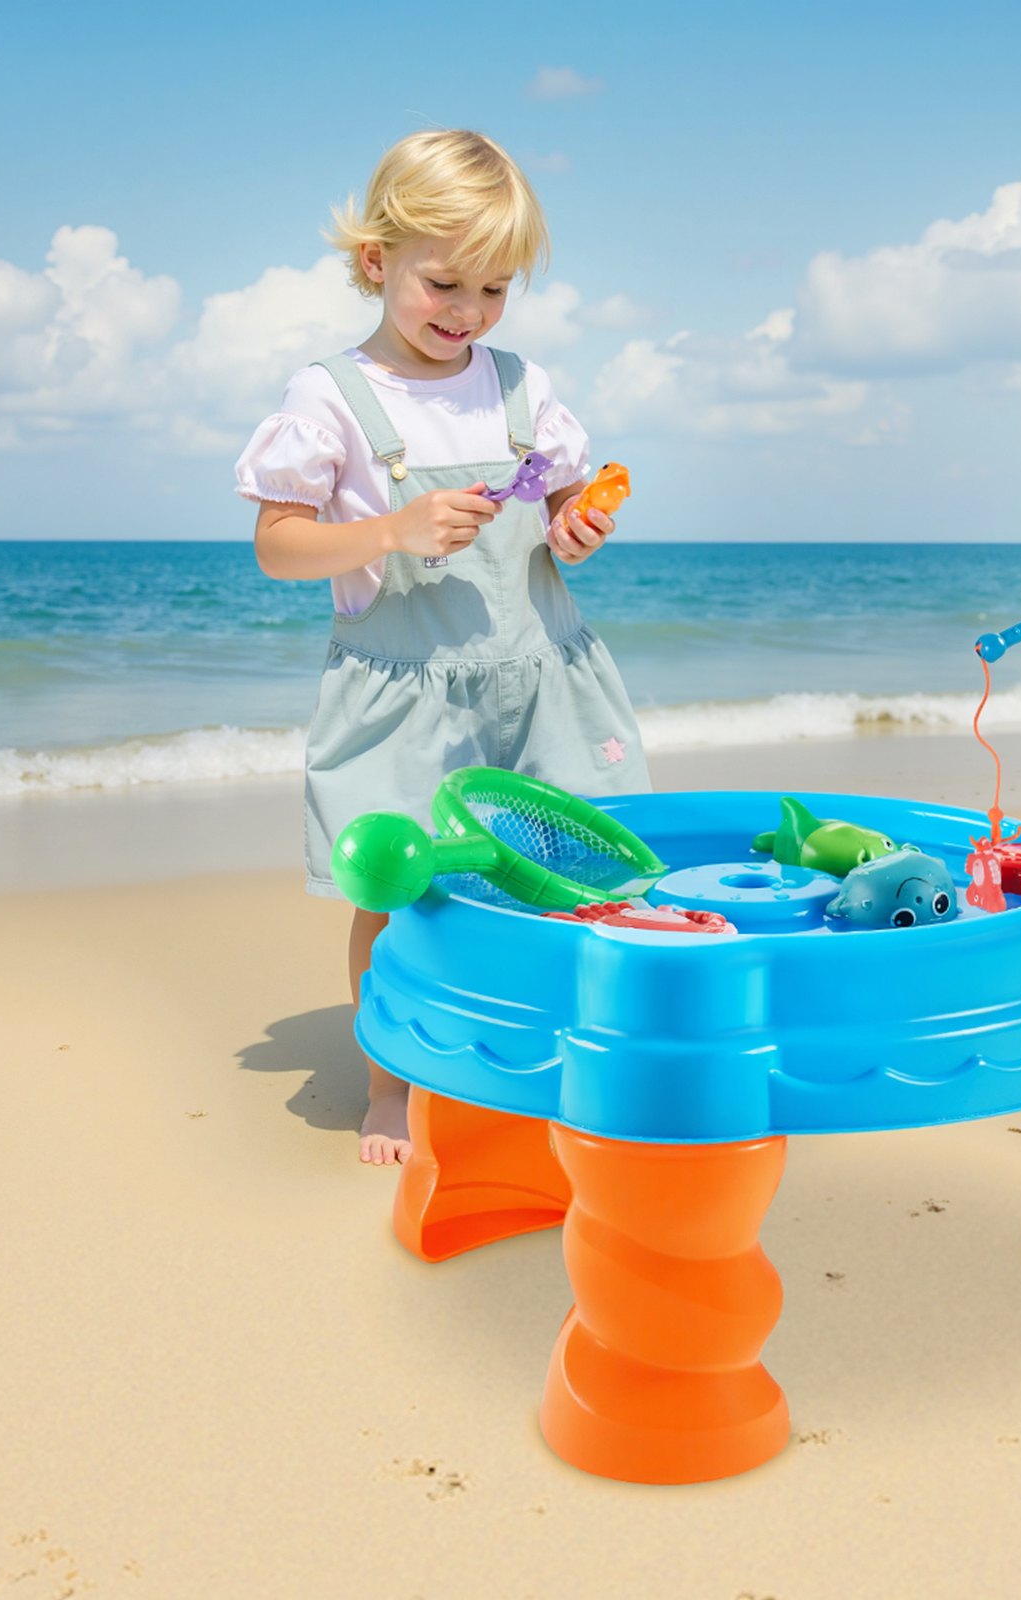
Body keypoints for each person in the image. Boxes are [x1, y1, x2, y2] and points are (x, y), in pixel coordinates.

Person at [235, 130, 649, 1166]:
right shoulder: (330, 396)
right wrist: (390, 531)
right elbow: (278, 546)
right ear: (377, 261)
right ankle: (391, 1086)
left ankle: (544, 1056)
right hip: (405, 692)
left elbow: (558, 505)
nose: (466, 312)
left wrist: (577, 525)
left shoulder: (518, 386)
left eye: (495, 289)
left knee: (569, 879)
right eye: (444, 282)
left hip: (541, 676)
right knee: (403, 892)